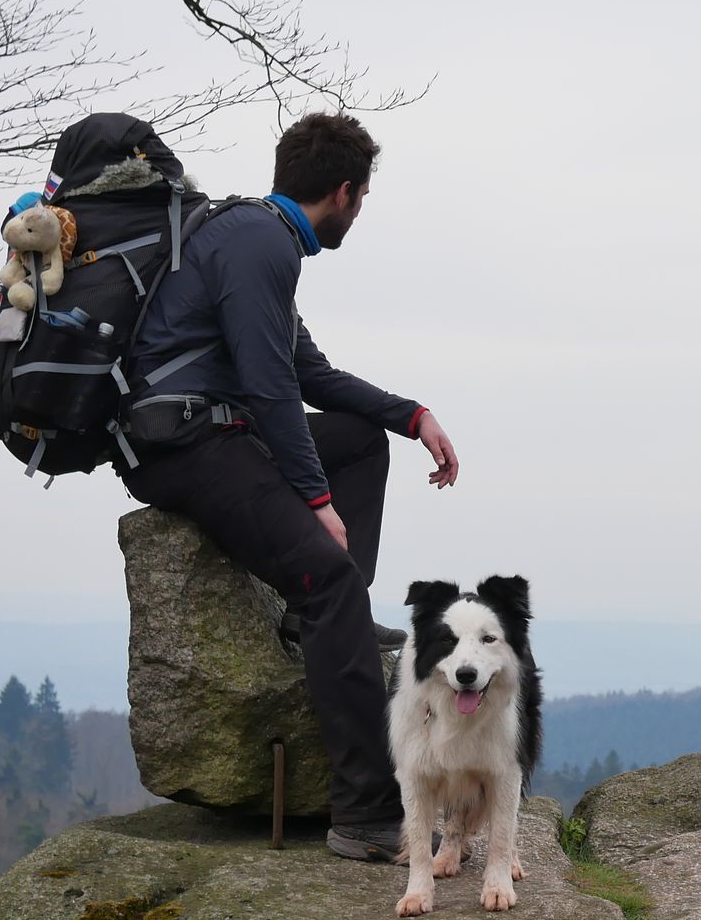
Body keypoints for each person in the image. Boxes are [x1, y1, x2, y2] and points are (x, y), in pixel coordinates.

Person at [119, 111, 459, 862]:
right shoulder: (263, 244)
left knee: (362, 443)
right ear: (344, 193)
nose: (359, 213)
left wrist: (411, 416)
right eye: (363, 199)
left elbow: (310, 375)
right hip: (189, 444)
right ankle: (367, 817)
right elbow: (270, 386)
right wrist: (315, 501)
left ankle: (321, 629)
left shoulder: (249, 236)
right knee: (329, 577)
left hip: (204, 430)